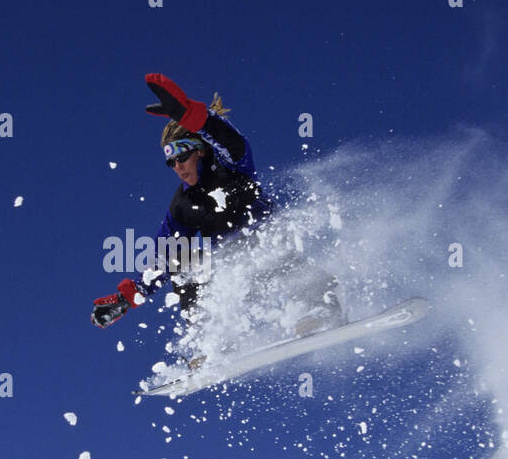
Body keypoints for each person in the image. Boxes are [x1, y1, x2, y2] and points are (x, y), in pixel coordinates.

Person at [91, 73, 340, 337]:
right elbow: (163, 257)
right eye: (171, 163)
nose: (178, 167)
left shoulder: (230, 166)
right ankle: (210, 339)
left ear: (199, 150)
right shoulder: (183, 205)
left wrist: (192, 116)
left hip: (270, 244)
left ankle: (321, 304)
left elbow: (230, 140)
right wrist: (127, 298)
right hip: (233, 268)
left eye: (182, 157)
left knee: (275, 252)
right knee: (181, 261)